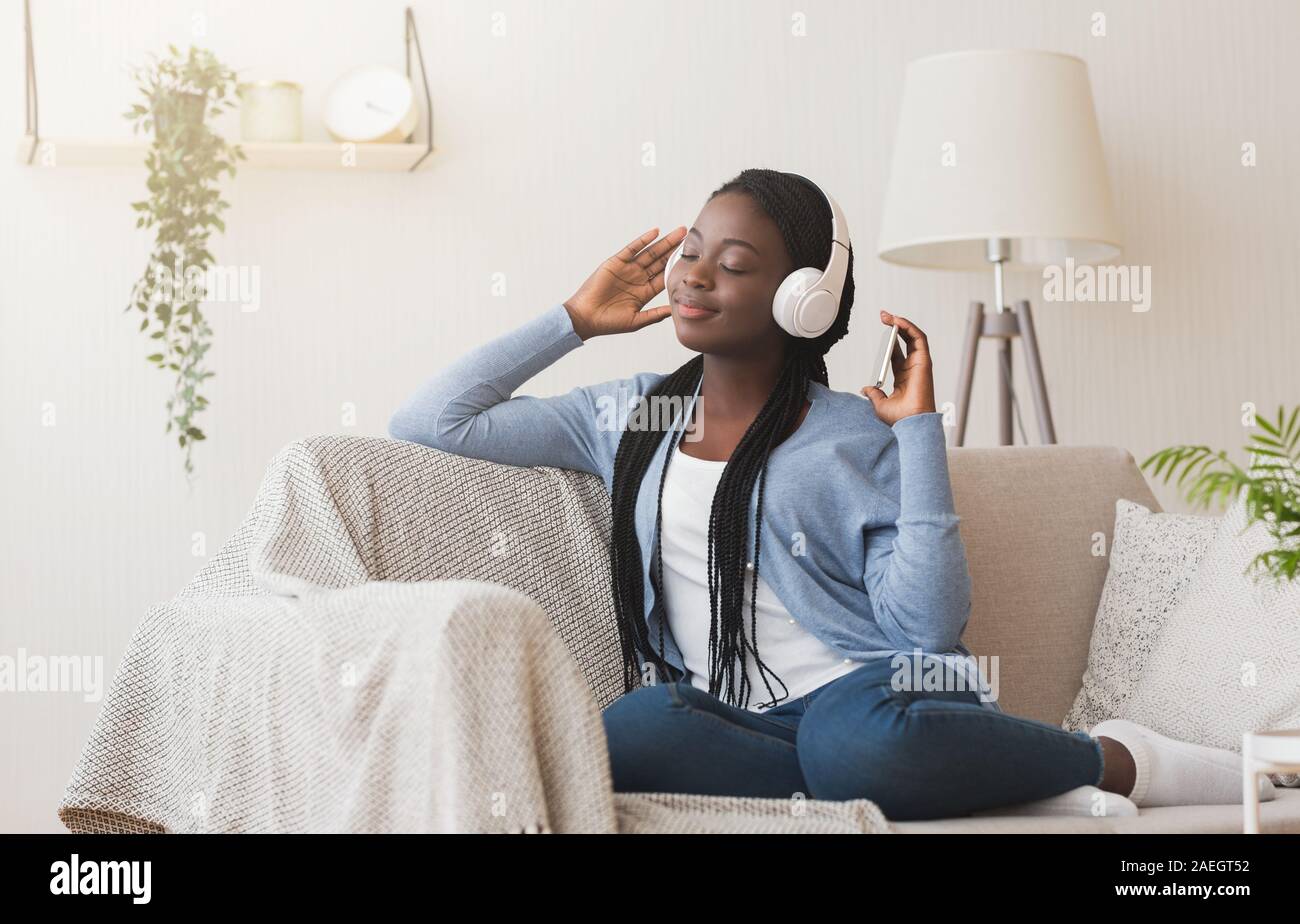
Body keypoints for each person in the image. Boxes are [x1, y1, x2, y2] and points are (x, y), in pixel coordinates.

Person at [389, 168, 1273, 820]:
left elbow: (927, 631)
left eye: (732, 264)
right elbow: (433, 421)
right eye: (690, 254)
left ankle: (1118, 759)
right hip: (744, 725)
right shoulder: (634, 412)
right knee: (630, 728)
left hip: (881, 696)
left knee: (852, 737)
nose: (693, 275)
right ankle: (971, 784)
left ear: (803, 300)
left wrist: (917, 433)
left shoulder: (847, 431)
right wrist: (574, 321)